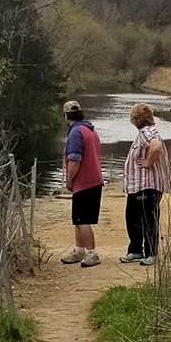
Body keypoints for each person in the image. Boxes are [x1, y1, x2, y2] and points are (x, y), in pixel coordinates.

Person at [120, 103, 171, 267]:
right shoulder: (147, 132)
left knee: (148, 218)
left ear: (136, 119)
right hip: (139, 186)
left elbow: (156, 147)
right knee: (133, 217)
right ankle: (136, 250)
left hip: (147, 186)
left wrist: (148, 162)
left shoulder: (146, 133)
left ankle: (151, 253)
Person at [60, 100, 103, 268]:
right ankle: (79, 250)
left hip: (84, 182)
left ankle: (92, 252)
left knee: (82, 219)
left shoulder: (76, 133)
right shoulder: (90, 130)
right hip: (95, 180)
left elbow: (74, 160)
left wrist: (69, 181)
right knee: (78, 219)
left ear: (66, 116)